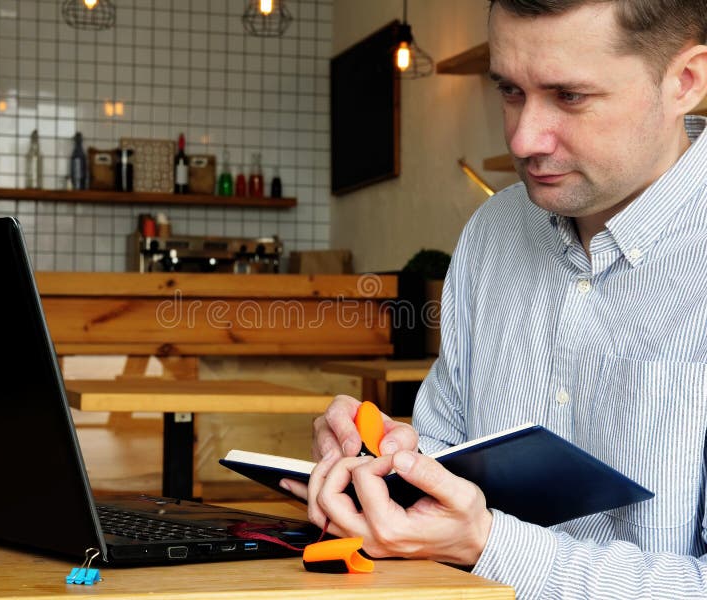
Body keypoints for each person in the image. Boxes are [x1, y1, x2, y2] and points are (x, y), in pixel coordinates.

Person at [280, 1, 707, 597]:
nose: (522, 138)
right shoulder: (494, 230)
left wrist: (489, 546)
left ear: (685, 82)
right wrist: (386, 462)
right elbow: (447, 457)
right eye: (509, 90)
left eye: (570, 96)